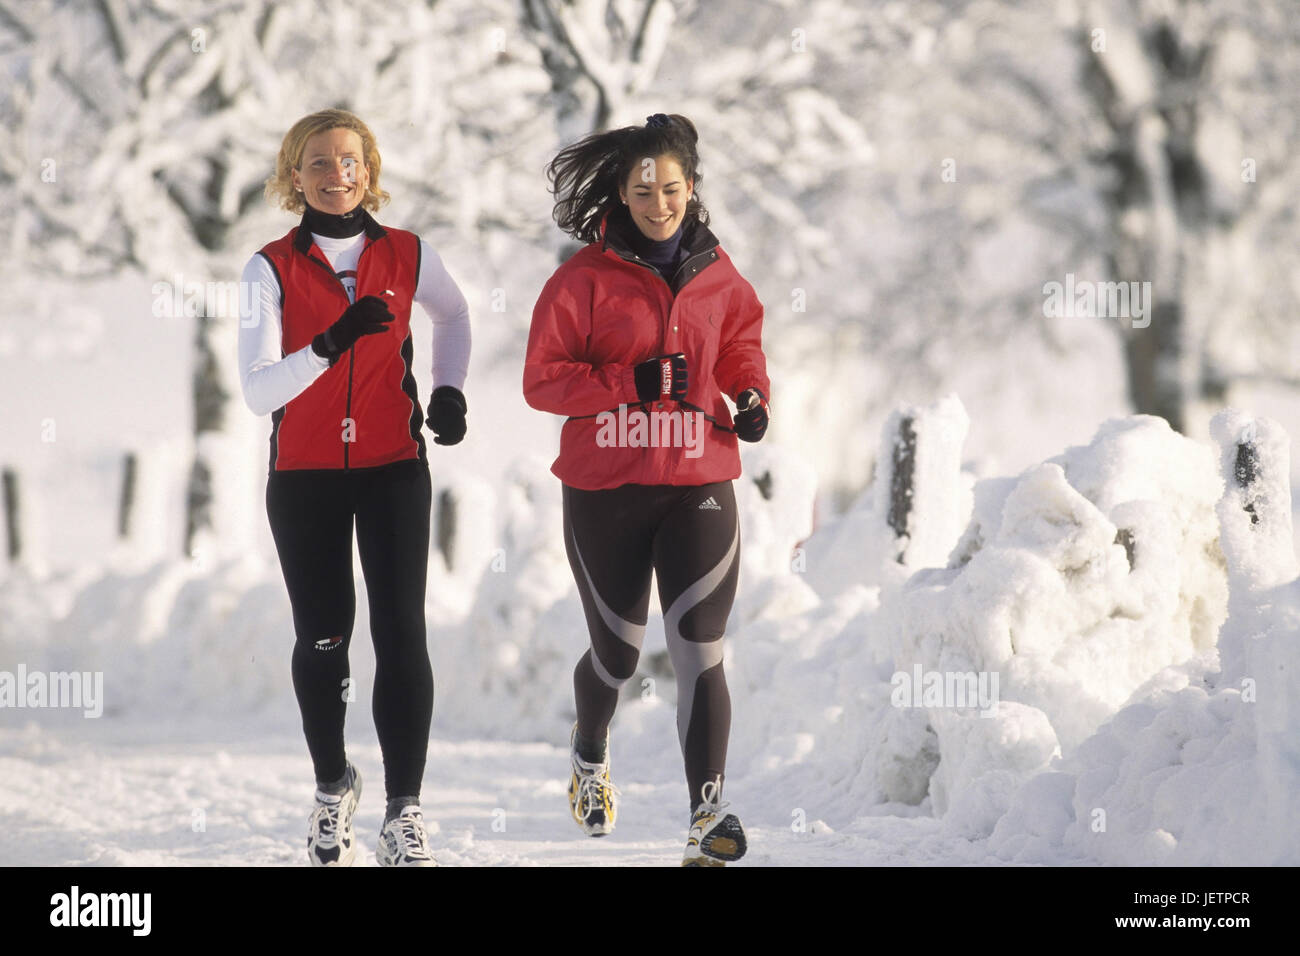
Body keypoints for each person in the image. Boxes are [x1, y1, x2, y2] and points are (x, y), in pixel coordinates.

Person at [523, 112, 771, 866]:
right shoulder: (580, 281)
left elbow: (739, 349)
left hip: (698, 480)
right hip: (607, 491)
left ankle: (707, 817)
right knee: (619, 655)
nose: (658, 201)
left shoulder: (723, 277)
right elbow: (543, 382)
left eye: (670, 187)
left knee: (699, 646)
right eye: (642, 190)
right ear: (621, 197)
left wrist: (752, 395)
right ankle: (591, 749)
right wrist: (629, 383)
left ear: (691, 188)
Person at [238, 108, 471, 867]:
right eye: (317, 163)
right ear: (293, 177)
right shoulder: (267, 268)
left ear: (368, 169)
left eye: (349, 160)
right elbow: (257, 391)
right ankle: (332, 784)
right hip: (304, 477)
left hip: (393, 468)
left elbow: (456, 315)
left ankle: (404, 812)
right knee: (324, 635)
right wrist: (331, 344)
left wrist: (448, 391)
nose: (336, 174)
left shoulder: (407, 254)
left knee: (402, 630)